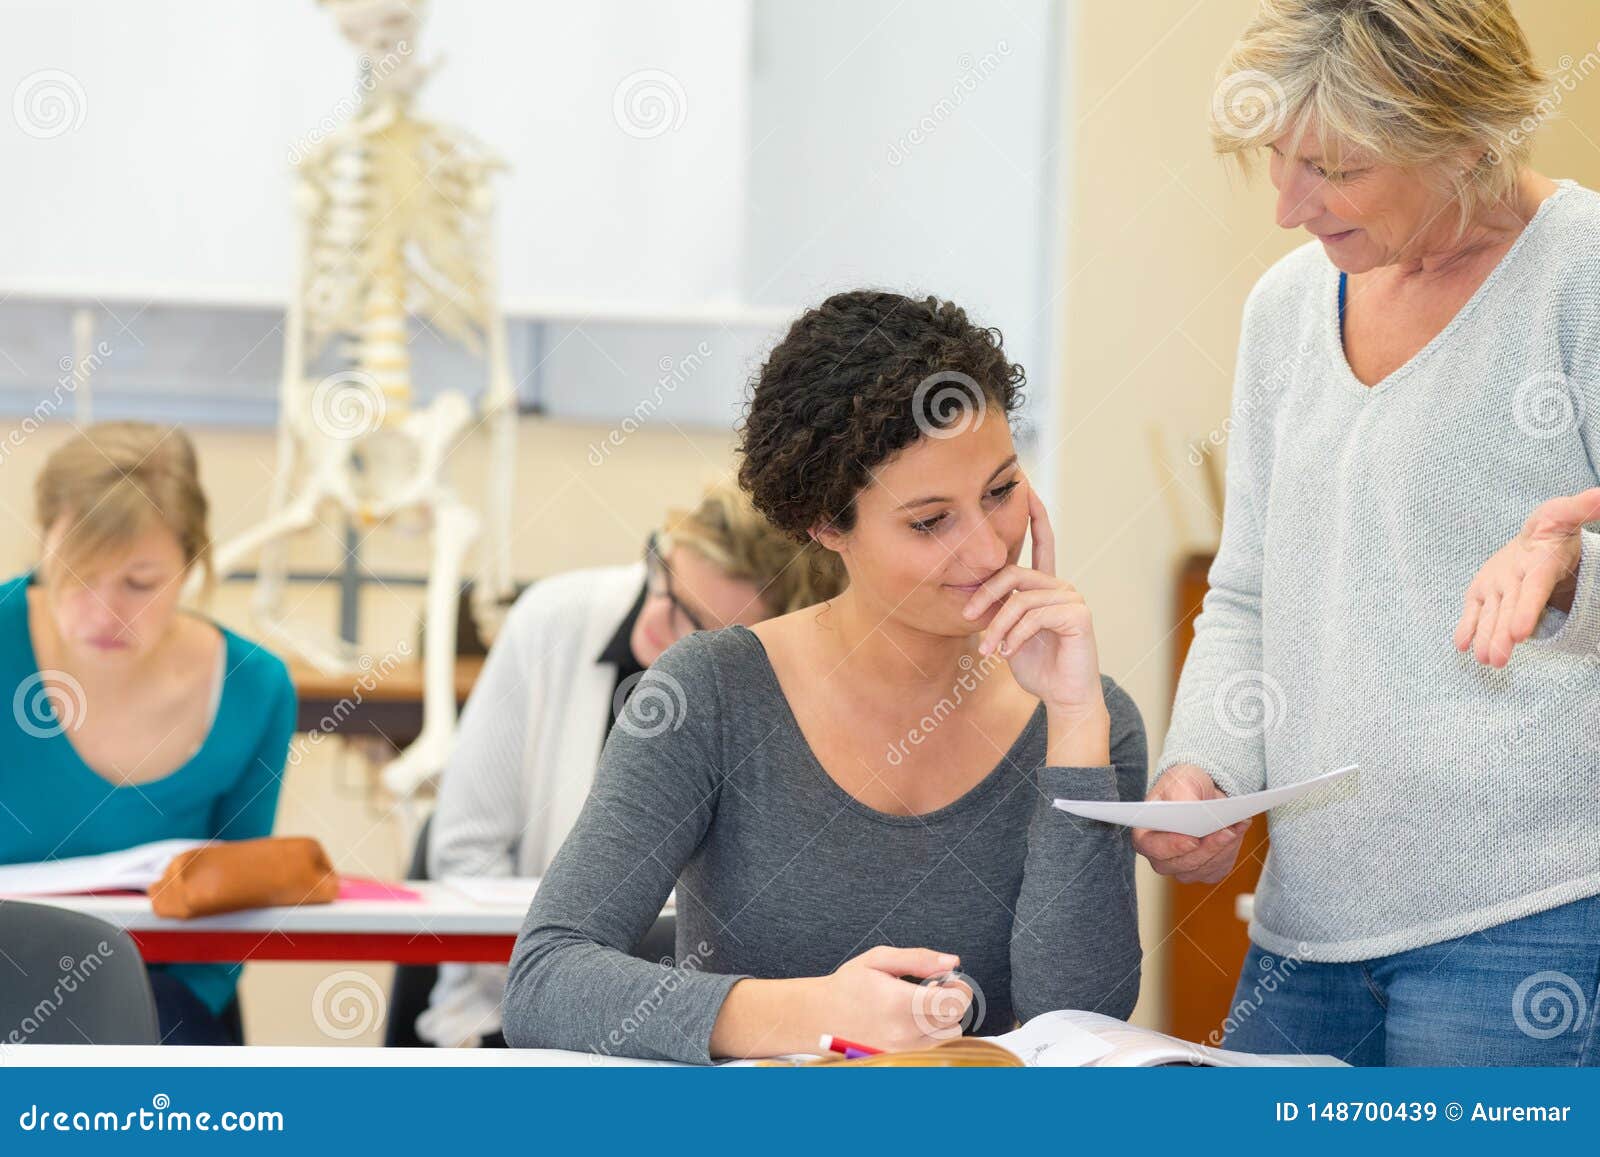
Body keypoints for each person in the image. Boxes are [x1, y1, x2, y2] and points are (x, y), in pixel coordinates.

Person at [500, 290, 1145, 1063]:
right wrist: (816, 1011)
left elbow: (1083, 1024)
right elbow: (545, 980)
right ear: (826, 524)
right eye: (930, 521)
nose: (986, 550)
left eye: (1001, 491)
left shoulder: (1092, 718)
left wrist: (1074, 722)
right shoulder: (710, 695)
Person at [1141, 0, 1600, 1065]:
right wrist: (1203, 763)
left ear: (1464, 140)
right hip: (1304, 927)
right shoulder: (1286, 307)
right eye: (1277, 158)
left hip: (1533, 918)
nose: (1285, 206)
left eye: (1333, 169)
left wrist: (1572, 566)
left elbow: (1575, 558)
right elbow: (1247, 589)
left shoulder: (1582, 274)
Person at [415, 480, 842, 1047]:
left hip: (707, 1030)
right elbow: (466, 853)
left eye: (694, 623)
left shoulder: (773, 690)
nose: (655, 616)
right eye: (662, 576)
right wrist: (569, 990)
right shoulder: (551, 619)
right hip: (509, 1019)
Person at [0, 421, 296, 1045]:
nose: (105, 612)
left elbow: (235, 907)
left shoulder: (254, 688)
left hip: (164, 1011)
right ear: (44, 545)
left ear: (191, 565)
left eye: (140, 583)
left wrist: (147, 1018)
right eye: (78, 575)